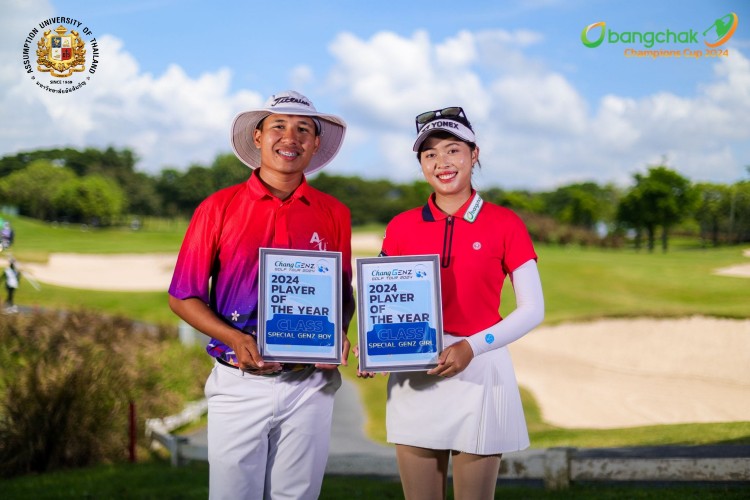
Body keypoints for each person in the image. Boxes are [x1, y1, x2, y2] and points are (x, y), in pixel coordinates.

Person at [168, 90, 354, 500]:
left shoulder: (334, 212)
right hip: (239, 382)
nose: (291, 137)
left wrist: (337, 331)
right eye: (279, 127)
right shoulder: (217, 207)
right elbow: (184, 295)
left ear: (316, 143)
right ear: (257, 136)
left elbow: (342, 292)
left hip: (310, 384)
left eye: (303, 129)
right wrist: (236, 339)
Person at [365, 106, 545, 499]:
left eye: (452, 150)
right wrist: (373, 348)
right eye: (429, 154)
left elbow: (533, 308)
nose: (442, 163)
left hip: (480, 368)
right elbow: (383, 298)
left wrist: (471, 346)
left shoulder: (505, 223)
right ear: (420, 164)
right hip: (417, 372)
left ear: (473, 154)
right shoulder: (400, 227)